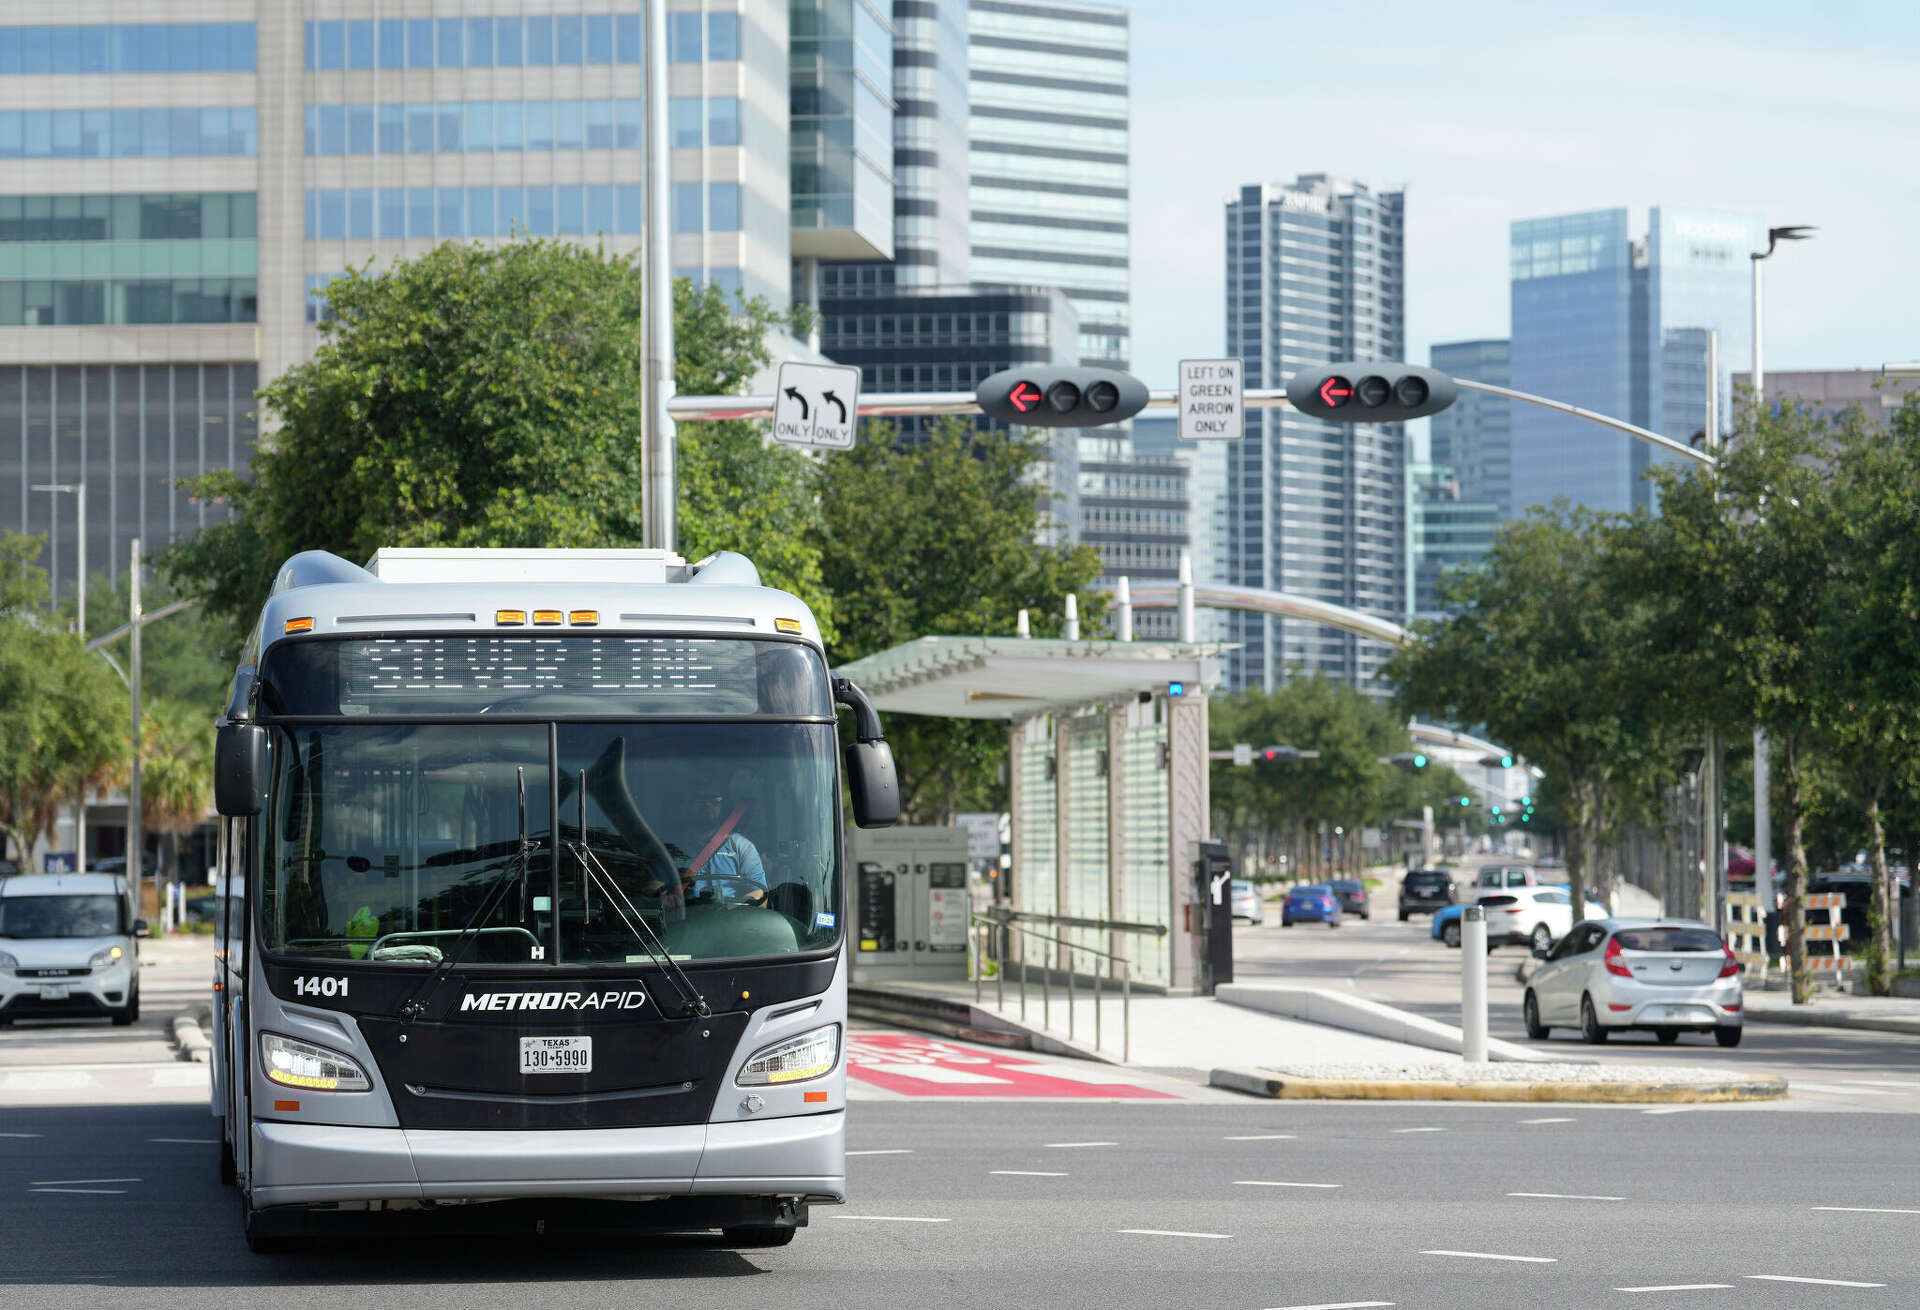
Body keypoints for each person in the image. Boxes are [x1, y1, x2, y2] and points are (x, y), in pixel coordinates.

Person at [642, 786, 768, 907]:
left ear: (722, 806)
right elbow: (653, 887)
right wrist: (664, 899)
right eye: (699, 798)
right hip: (685, 920)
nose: (707, 804)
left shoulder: (741, 847)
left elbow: (760, 895)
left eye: (715, 799)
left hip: (732, 922)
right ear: (684, 805)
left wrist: (735, 909)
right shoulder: (669, 849)